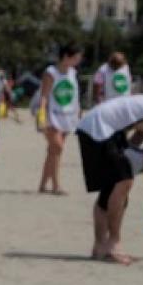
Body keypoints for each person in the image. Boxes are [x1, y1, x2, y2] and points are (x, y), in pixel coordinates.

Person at [76, 94, 143, 265]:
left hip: (94, 126)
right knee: (124, 182)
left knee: (112, 187)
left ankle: (100, 247)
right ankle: (114, 244)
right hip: (100, 129)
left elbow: (134, 143)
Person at [35, 43, 84, 195]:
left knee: (53, 151)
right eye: (76, 57)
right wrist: (41, 116)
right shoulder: (51, 72)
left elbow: (75, 96)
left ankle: (43, 184)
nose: (78, 60)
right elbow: (44, 95)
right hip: (52, 115)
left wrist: (79, 111)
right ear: (66, 57)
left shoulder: (73, 73)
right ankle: (56, 185)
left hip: (68, 116)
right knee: (57, 147)